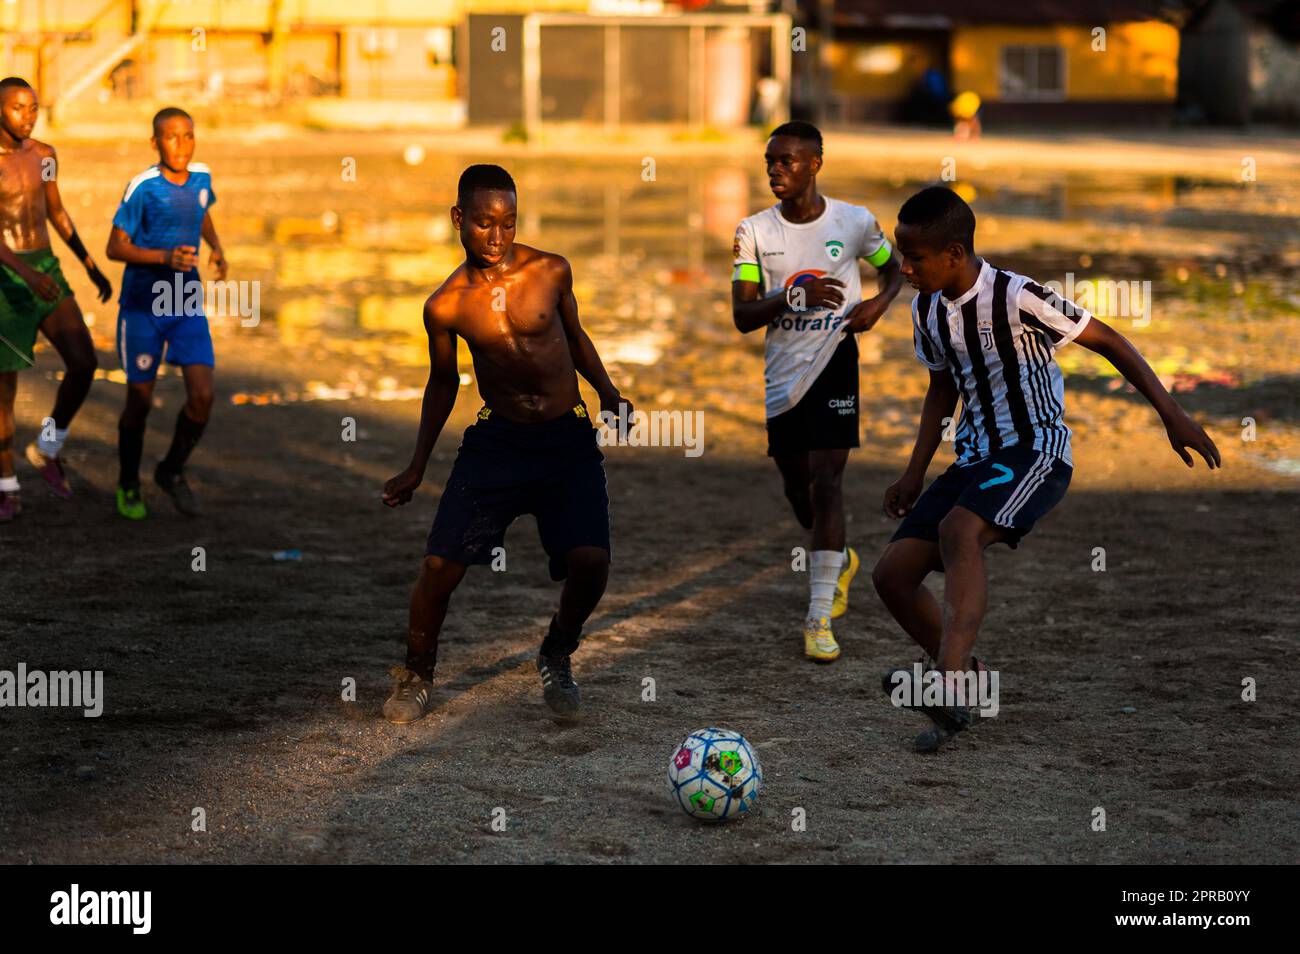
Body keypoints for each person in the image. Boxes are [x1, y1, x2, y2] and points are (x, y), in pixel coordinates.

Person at [872, 186, 1221, 753]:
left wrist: (1173, 414)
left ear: (955, 253)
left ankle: (950, 679)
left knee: (958, 532)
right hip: (973, 459)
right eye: (901, 254)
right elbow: (941, 389)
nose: (904, 268)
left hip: (1035, 453)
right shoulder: (927, 308)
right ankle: (972, 681)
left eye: (915, 258)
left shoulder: (1017, 295)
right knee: (891, 575)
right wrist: (914, 473)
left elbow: (1109, 341)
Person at [380, 164, 630, 724]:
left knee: (592, 563)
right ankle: (416, 674)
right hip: (499, 442)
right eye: (484, 223)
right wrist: (417, 466)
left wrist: (609, 393)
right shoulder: (444, 305)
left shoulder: (552, 271)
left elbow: (575, 336)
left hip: (566, 436)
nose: (497, 237)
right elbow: (443, 382)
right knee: (439, 565)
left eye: (509, 223)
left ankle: (557, 650)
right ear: (458, 219)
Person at [731, 121, 903, 662]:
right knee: (799, 494)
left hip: (836, 361)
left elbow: (894, 267)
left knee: (829, 484)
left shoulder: (853, 223)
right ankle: (840, 558)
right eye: (769, 162)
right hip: (784, 376)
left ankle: (818, 616)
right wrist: (792, 294)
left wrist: (877, 304)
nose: (775, 170)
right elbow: (742, 314)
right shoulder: (753, 231)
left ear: (815, 163)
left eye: (786, 161)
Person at [105, 107, 227, 519]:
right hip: (142, 307)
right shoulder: (142, 187)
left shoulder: (202, 177)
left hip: (185, 303)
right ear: (154, 142)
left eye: (188, 135)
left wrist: (217, 247)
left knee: (203, 396)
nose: (181, 144)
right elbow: (114, 247)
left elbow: (201, 208)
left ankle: (171, 470)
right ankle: (127, 483)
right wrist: (163, 256)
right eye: (171, 137)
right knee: (139, 400)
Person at [0, 77, 111, 520]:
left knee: (84, 362)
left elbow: (56, 210)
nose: (27, 116)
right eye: (17, 108)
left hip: (46, 268)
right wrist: (24, 272)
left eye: (33, 108)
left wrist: (87, 261)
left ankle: (48, 445)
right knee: (5, 390)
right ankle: (7, 485)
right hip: (6, 278)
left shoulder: (45, 155)